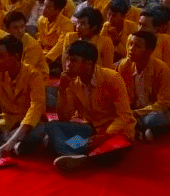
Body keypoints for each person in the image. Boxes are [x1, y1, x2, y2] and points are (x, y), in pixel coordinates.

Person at [50, 39, 136, 172]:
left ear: (89, 63)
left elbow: (124, 116)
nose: (68, 65)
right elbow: (65, 118)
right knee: (52, 127)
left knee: (110, 150)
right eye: (67, 60)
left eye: (73, 60)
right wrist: (62, 90)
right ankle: (77, 154)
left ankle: (76, 153)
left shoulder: (112, 78)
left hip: (114, 132)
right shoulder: (72, 83)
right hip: (91, 131)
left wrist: (105, 136)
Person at [117, 29, 170, 142]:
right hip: (133, 112)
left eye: (137, 46)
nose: (131, 49)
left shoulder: (162, 69)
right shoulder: (124, 66)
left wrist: (136, 114)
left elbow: (163, 104)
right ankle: (140, 133)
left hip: (155, 112)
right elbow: (121, 96)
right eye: (131, 44)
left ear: (149, 51)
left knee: (154, 119)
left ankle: (135, 130)